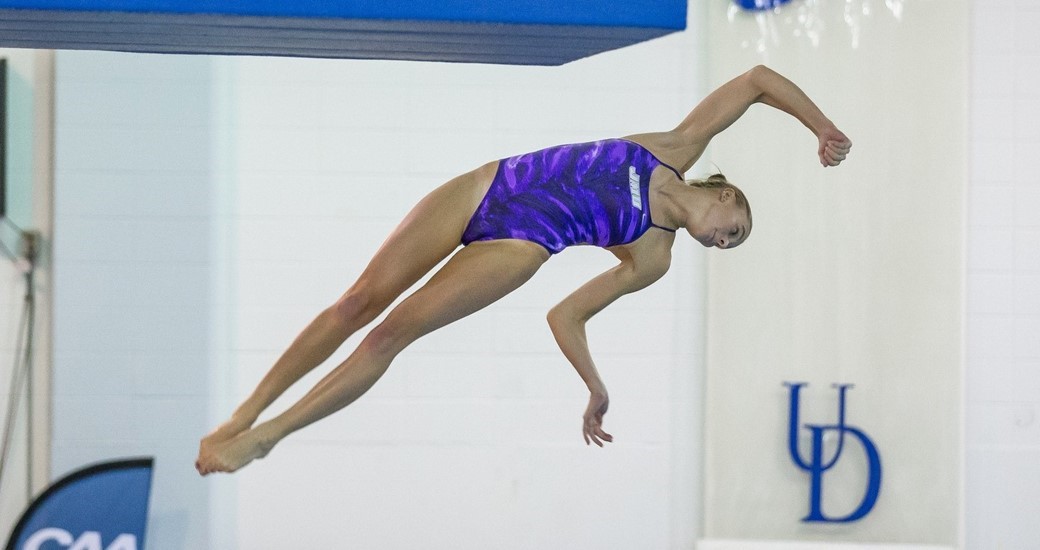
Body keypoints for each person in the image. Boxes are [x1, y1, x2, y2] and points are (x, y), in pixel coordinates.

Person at [195, 64, 851, 475]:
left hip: (520, 245)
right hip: (489, 183)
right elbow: (760, 79)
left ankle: (268, 436)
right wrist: (820, 126)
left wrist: (594, 386)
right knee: (356, 302)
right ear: (725, 195)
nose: (722, 242)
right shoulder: (677, 148)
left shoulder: (653, 256)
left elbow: (565, 314)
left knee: (389, 334)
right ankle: (243, 413)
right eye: (731, 231)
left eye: (729, 247)